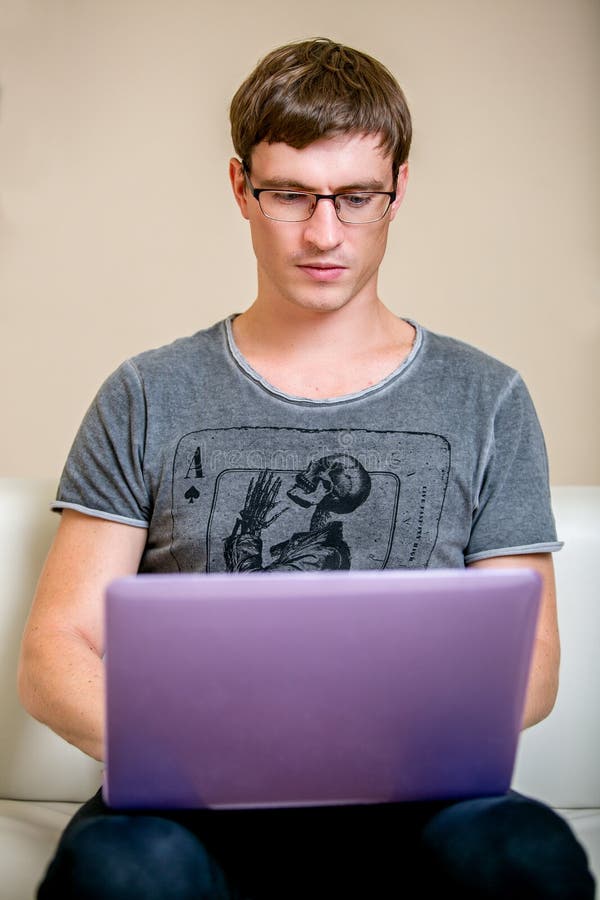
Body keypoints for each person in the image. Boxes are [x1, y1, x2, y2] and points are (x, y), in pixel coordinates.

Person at [18, 37, 594, 899]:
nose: (324, 233)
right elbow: (54, 653)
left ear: (398, 190)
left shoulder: (489, 399)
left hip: (420, 802)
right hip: (188, 805)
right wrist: (206, 752)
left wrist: (370, 749)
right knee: (123, 870)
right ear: (241, 189)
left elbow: (534, 663)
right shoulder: (146, 392)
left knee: (529, 858)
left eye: (356, 197)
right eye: (291, 194)